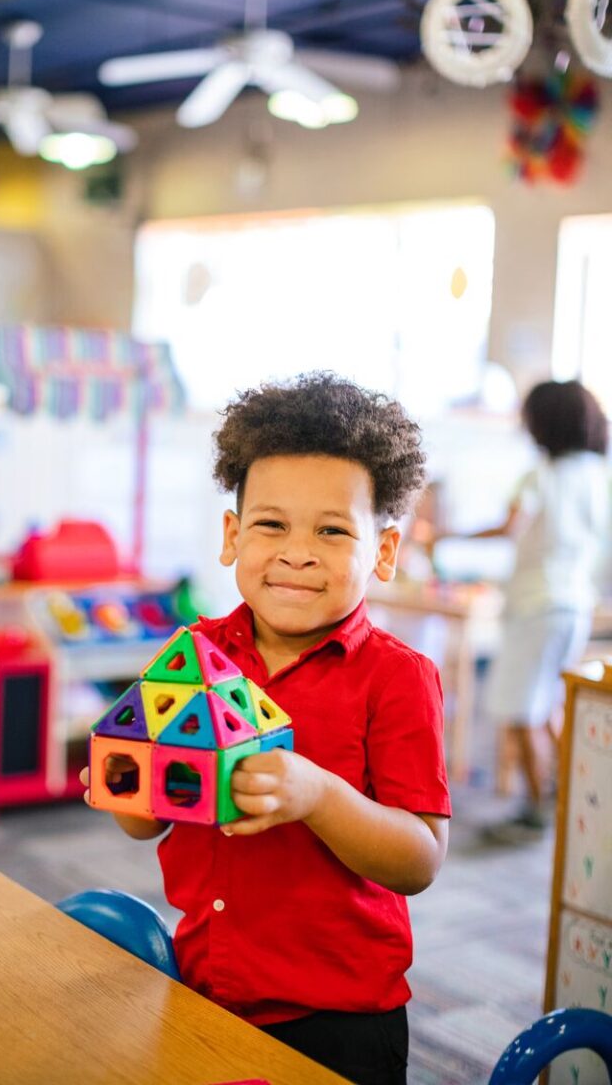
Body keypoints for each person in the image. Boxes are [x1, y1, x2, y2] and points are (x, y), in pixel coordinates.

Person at [81, 372, 451, 1085]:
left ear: (383, 551)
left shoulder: (398, 678)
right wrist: (124, 776)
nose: (297, 552)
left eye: (333, 531)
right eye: (272, 524)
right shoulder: (193, 655)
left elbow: (420, 859)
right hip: (204, 988)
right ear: (232, 535)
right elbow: (143, 825)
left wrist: (319, 796)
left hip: (340, 1018)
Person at [453, 379, 610, 844]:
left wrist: (449, 536)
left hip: (536, 605)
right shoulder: (596, 473)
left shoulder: (542, 474)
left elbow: (508, 526)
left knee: (520, 709)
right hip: (574, 605)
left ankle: (536, 812)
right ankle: (577, 794)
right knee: (546, 706)